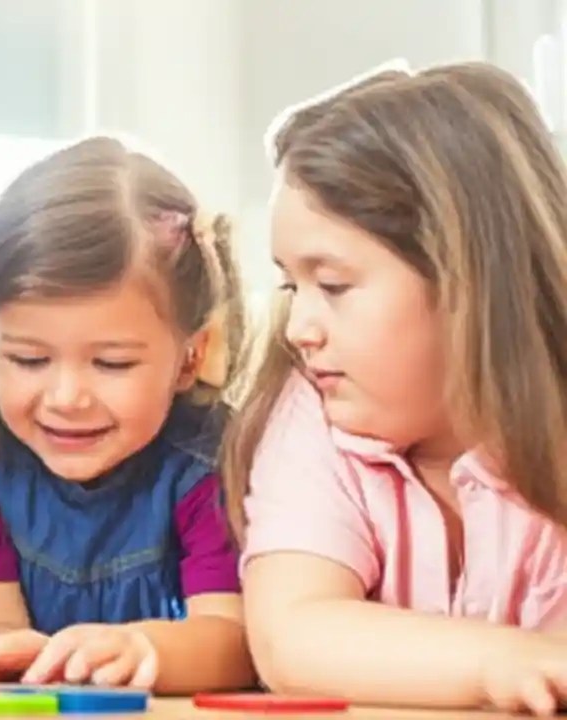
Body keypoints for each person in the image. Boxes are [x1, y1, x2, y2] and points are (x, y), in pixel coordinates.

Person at [222, 62, 567, 717]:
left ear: (469, 280)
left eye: (333, 285)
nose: (297, 328)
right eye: (292, 286)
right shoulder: (314, 415)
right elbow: (290, 635)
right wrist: (505, 659)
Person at [0, 136, 254, 694]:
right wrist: (13, 653)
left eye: (112, 364)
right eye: (29, 359)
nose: (66, 397)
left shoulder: (208, 459)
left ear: (190, 357)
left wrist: (144, 649)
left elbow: (232, 641)